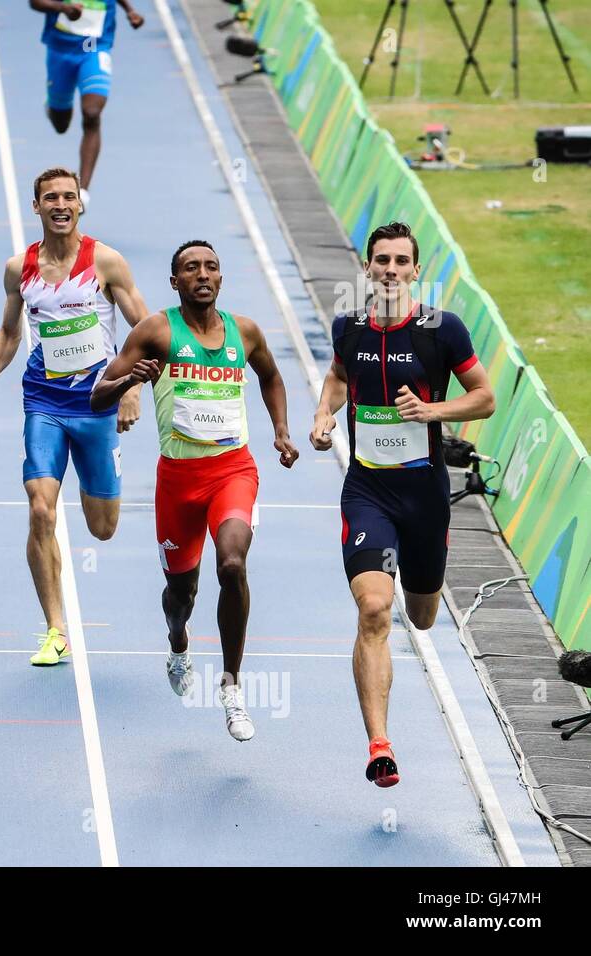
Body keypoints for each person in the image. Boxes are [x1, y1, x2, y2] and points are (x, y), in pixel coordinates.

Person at [310, 221, 494, 786]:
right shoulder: (349, 328)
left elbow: (484, 398)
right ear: (368, 267)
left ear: (416, 270)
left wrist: (431, 413)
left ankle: (426, 566)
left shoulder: (444, 330)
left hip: (425, 495)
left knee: (421, 615)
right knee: (373, 609)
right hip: (368, 490)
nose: (390, 270)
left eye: (400, 262)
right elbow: (339, 377)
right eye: (381, 260)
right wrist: (324, 415)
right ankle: (380, 745)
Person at [92, 240, 299, 740]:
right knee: (180, 593)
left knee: (232, 563)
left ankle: (230, 684)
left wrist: (280, 431)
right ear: (175, 281)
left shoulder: (244, 332)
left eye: (210, 267)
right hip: (178, 483)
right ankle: (178, 641)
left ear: (221, 278)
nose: (201, 274)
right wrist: (129, 382)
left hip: (233, 471)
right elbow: (99, 395)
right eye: (190, 268)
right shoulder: (157, 331)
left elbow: (271, 376)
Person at [0, 167, 148, 667]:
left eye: (69, 196)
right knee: (41, 508)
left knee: (103, 527)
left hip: (96, 405)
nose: (61, 204)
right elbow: (9, 333)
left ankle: (103, 478)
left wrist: (131, 385)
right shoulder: (18, 268)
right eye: (51, 197)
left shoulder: (106, 262)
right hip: (43, 401)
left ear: (80, 204)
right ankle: (55, 628)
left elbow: (147, 328)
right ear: (37, 207)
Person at [30, 0, 146, 209]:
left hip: (94, 47)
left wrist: (130, 10)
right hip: (61, 49)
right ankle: (53, 104)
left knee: (92, 113)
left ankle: (83, 190)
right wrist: (63, 8)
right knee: (61, 124)